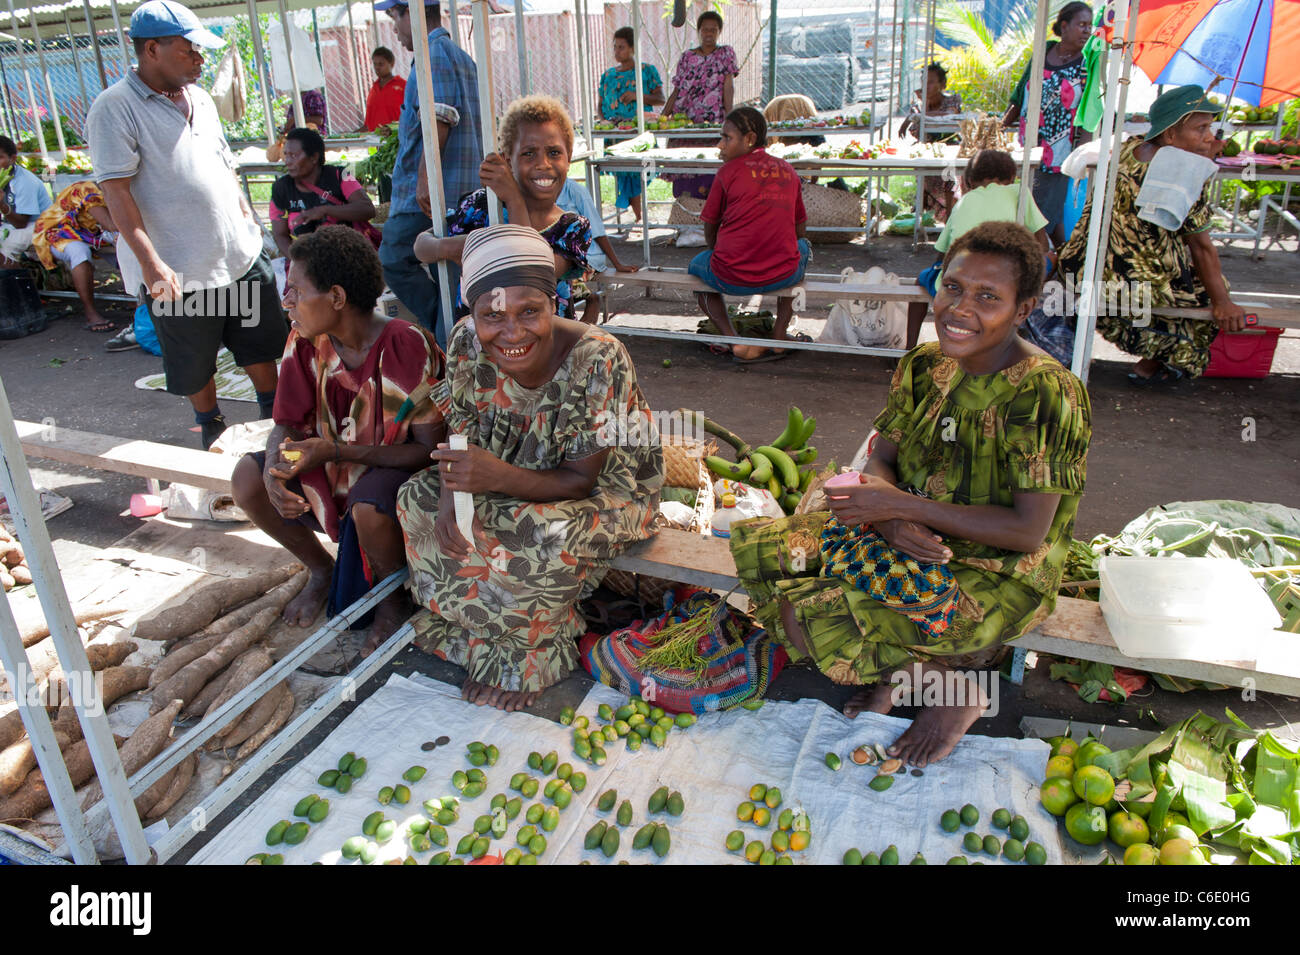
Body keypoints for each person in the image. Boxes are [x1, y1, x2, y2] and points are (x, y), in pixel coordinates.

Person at [730, 221, 1091, 766]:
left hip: (998, 568)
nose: (960, 309)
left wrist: (901, 507)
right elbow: (883, 459)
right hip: (901, 532)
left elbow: (1026, 530)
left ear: (1023, 310)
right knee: (775, 560)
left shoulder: (1045, 392)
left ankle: (952, 694)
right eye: (953, 288)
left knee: (811, 621)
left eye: (988, 297)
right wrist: (888, 518)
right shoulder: (924, 365)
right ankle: (906, 679)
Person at [396, 223, 664, 712]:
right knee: (416, 497)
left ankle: (528, 654)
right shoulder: (463, 344)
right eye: (491, 315)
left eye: (529, 312)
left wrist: (491, 478)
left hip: (602, 493)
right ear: (470, 313)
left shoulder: (598, 357)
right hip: (505, 472)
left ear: (554, 305)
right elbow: (459, 430)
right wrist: (455, 499)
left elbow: (581, 480)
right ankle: (477, 637)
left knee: (538, 533)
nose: (512, 332)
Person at [231, 226, 445, 651]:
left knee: (368, 505)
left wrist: (336, 450)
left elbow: (428, 452)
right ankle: (320, 570)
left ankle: (393, 594)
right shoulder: (307, 340)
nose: (285, 301)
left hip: (399, 478)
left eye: (295, 290)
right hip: (331, 470)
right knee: (246, 478)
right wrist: (276, 468)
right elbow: (286, 422)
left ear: (337, 298)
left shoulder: (406, 345)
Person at [86, 0, 289, 448]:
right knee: (194, 360)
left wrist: (249, 225)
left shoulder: (199, 98)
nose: (200, 59)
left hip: (237, 255)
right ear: (151, 50)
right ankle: (210, 426)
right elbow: (117, 194)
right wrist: (152, 265)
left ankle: (272, 418)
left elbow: (224, 167)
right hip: (177, 269)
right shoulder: (114, 108)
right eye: (190, 50)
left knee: (258, 342)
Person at [1055, 85, 1246, 384]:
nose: (1210, 137)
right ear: (1170, 135)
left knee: (1182, 273)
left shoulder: (1128, 148)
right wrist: (1224, 303)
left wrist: (1202, 153)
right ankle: (1157, 360)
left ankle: (1150, 361)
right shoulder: (1183, 172)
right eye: (1201, 128)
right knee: (1212, 288)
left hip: (1080, 265)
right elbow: (1202, 247)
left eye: (1210, 127)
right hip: (1125, 283)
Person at [414, 96, 593, 320]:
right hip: (483, 345)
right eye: (528, 153)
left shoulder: (572, 228)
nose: (543, 163)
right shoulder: (484, 206)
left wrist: (514, 199)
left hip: (545, 349)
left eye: (554, 153)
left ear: (569, 159)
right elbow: (422, 246)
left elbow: (525, 271)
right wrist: (457, 246)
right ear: (508, 161)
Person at [375, 0, 481, 344]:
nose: (394, 27)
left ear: (412, 13)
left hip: (434, 194)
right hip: (457, 192)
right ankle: (450, 333)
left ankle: (444, 334)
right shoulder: (458, 56)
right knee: (451, 278)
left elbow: (440, 119)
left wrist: (426, 180)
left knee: (393, 256)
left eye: (395, 16)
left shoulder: (434, 53)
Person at [688, 107, 810, 363]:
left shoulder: (726, 173)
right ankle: (779, 336)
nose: (720, 145)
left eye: (726, 138)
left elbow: (710, 225)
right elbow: (800, 227)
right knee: (803, 247)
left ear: (750, 139)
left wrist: (715, 250)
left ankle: (735, 341)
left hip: (731, 276)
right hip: (784, 274)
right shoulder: (788, 170)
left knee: (695, 267)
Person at [907, 149, 1050, 347]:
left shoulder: (963, 202)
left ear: (968, 182)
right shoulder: (1020, 193)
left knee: (920, 280)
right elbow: (1042, 245)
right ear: (1012, 178)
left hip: (958, 282)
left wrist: (939, 273)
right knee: (1049, 257)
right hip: (1005, 284)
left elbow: (943, 253)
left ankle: (909, 346)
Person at [1002, 2, 1092, 245]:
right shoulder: (1044, 52)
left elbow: (1092, 107)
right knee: (1039, 207)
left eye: (1089, 26)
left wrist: (1082, 150)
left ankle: (1033, 256)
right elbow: (1020, 93)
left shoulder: (1087, 62)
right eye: (1081, 25)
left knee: (1041, 212)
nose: (1087, 31)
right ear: (1064, 26)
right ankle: (1064, 258)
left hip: (1061, 151)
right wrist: (999, 127)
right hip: (1030, 143)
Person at [660, 11, 738, 242]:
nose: (709, 34)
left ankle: (712, 225)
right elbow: (677, 89)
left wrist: (729, 118)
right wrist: (664, 116)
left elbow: (728, 86)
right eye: (705, 29)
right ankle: (687, 224)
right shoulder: (686, 57)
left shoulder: (725, 54)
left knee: (711, 171)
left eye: (713, 29)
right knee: (685, 172)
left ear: (719, 32)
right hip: (686, 121)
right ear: (699, 31)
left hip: (713, 121)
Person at [270, 127, 377, 261]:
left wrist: (325, 210)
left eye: (294, 155)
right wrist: (299, 262)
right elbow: (280, 235)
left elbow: (367, 209)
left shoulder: (342, 175)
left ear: (314, 157)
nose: (287, 161)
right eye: (286, 154)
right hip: (307, 263)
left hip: (350, 258)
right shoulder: (281, 188)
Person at [30, 180, 121, 333]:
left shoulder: (123, 190)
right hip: (60, 232)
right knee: (80, 252)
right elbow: (110, 225)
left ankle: (138, 300)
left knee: (128, 252)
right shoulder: (87, 189)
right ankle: (90, 313)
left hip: (91, 234)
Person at [597, 26, 664, 225]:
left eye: (622, 47)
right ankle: (640, 217)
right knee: (625, 175)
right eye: (615, 47)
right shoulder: (608, 75)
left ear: (633, 48)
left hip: (639, 133)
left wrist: (637, 96)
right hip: (616, 134)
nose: (617, 52)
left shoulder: (646, 71)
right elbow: (600, 105)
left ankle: (640, 216)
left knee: (639, 174)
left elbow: (660, 98)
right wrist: (603, 120)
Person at [557, 176, 638, 323]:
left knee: (560, 285)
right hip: (557, 256)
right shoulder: (531, 190)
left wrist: (617, 264)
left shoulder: (575, 191)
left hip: (587, 256)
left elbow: (597, 230)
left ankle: (588, 302)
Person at [901, 63, 962, 225]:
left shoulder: (952, 102)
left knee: (950, 181)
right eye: (924, 81)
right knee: (922, 176)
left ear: (942, 85)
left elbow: (947, 116)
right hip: (927, 152)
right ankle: (921, 220)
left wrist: (921, 113)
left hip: (948, 151)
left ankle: (951, 220)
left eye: (931, 82)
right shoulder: (919, 106)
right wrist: (922, 107)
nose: (926, 86)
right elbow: (913, 129)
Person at [0, 136, 53, 267]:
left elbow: (21, 223)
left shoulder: (25, 181)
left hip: (40, 225)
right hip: (10, 224)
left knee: (5, 248)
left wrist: (1, 205)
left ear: (12, 158)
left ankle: (17, 283)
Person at [363, 47, 406, 131]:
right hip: (375, 140)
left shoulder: (403, 86)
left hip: (397, 138)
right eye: (375, 64)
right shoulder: (374, 89)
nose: (377, 68)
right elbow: (368, 124)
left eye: (381, 64)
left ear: (392, 64)